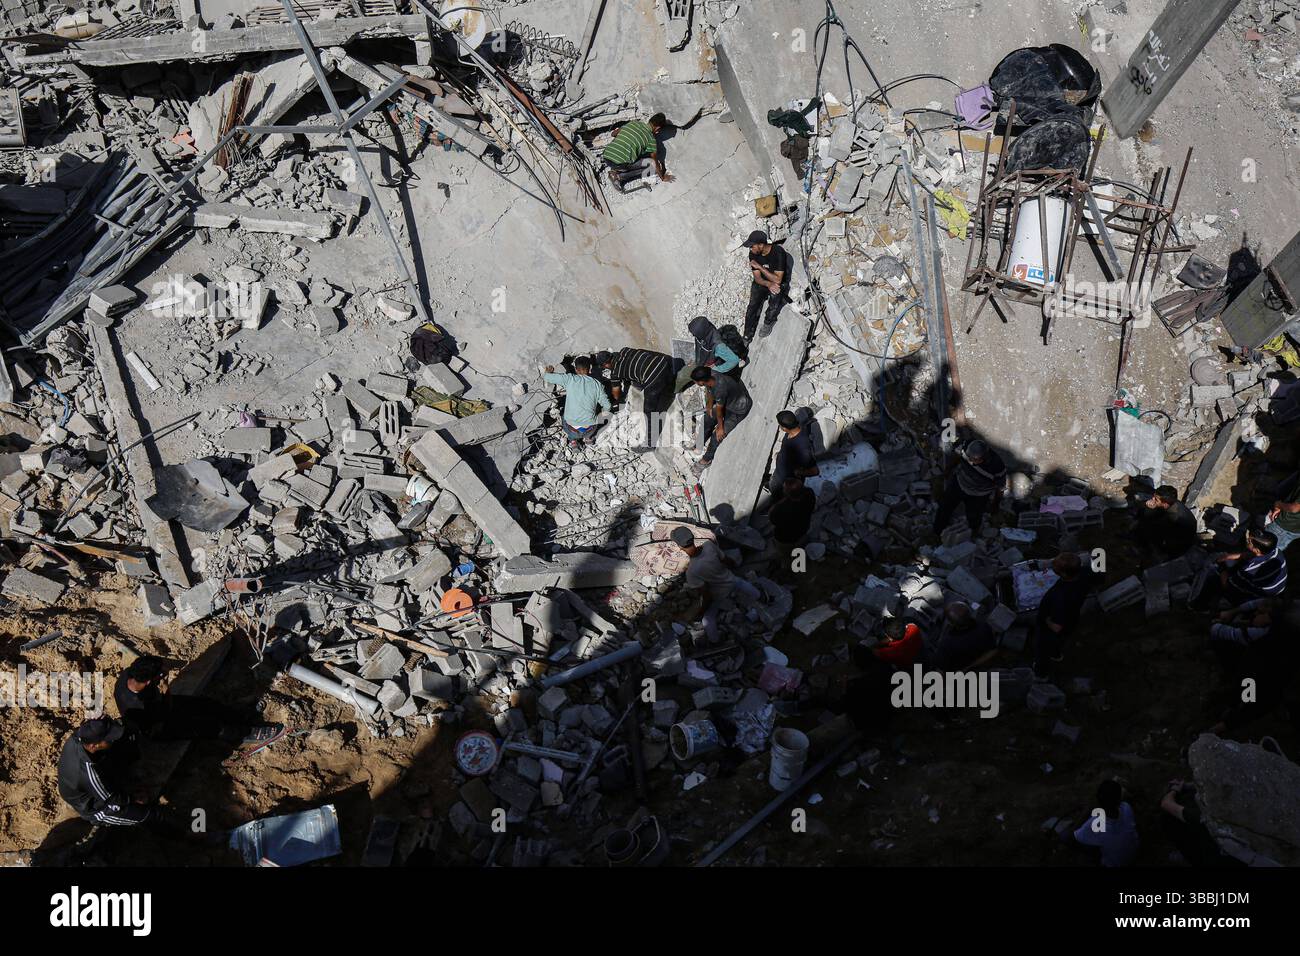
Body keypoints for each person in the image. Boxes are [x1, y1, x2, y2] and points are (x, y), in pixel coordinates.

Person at [114, 655, 283, 746]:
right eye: (162, 672)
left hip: (161, 707)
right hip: (158, 727)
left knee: (206, 705)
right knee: (207, 726)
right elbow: (166, 712)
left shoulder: (129, 675)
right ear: (151, 681)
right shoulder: (140, 706)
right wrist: (166, 689)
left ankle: (240, 715)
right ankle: (245, 734)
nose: (165, 671)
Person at [57, 717, 153, 828]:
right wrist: (134, 798)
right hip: (93, 806)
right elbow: (112, 798)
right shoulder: (89, 773)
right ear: (94, 746)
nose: (111, 740)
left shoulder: (79, 737)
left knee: (124, 740)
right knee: (145, 815)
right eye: (108, 739)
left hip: (92, 777)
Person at [671, 526, 760, 643]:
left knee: (707, 619)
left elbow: (706, 596)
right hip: (731, 580)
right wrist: (735, 566)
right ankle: (760, 597)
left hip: (719, 594)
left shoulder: (691, 572)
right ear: (693, 538)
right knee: (743, 584)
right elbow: (727, 560)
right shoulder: (709, 545)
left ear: (680, 547)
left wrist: (700, 612)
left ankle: (715, 640)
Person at [594, 347, 675, 450]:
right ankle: (668, 382)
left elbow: (616, 393)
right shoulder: (624, 350)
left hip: (654, 376)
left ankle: (649, 444)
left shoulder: (616, 372)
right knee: (645, 380)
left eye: (604, 367)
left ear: (606, 364)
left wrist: (617, 400)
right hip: (663, 362)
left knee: (648, 411)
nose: (606, 368)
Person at [1191, 528, 1288, 611]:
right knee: (1233, 564)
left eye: (1249, 541)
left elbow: (1227, 585)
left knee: (1213, 579)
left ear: (1257, 550)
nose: (1247, 540)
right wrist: (1230, 557)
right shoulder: (1275, 551)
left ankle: (1198, 607)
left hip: (1260, 598)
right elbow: (1249, 555)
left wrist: (1221, 567)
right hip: (1275, 587)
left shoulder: (1250, 571)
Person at [1033, 551, 1096, 678]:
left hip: (1053, 628)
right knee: (1061, 640)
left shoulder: (1061, 597)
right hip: (1072, 619)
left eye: (1055, 567)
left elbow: (1057, 627)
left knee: (1044, 648)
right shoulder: (1084, 574)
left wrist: (1046, 620)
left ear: (1063, 574)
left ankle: (1041, 674)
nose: (1052, 567)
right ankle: (1056, 655)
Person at [1159, 779, 1245, 868]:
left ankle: (1187, 854)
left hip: (1209, 859)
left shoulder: (1199, 816)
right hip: (1232, 857)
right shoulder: (1232, 814)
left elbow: (1166, 803)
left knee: (1168, 819)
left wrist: (1174, 790)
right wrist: (1186, 785)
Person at [932, 439, 1007, 537]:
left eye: (974, 460)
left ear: (984, 457)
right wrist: (948, 470)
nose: (970, 461)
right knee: (944, 507)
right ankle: (937, 532)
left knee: (974, 516)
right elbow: (958, 456)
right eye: (969, 457)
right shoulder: (966, 444)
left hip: (979, 494)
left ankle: (972, 534)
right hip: (960, 482)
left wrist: (995, 504)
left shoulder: (996, 466)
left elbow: (1000, 488)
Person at [689, 365, 752, 475]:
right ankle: (699, 443)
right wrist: (709, 404)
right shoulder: (711, 375)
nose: (696, 383)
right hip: (727, 402)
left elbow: (719, 411)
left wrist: (720, 427)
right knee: (707, 419)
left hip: (738, 409)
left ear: (701, 382)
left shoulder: (720, 388)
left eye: (696, 382)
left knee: (717, 437)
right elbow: (709, 390)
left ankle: (706, 460)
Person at [544, 355, 613, 447]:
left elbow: (547, 377)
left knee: (564, 415)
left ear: (576, 369)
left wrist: (548, 372)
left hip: (572, 430)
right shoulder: (597, 384)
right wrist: (600, 415)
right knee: (596, 409)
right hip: (590, 429)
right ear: (590, 369)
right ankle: (588, 438)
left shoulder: (570, 379)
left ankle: (573, 441)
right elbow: (607, 406)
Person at [1070, 779, 1139, 867]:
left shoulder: (1096, 824)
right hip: (1133, 854)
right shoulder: (1126, 808)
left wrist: (1087, 811)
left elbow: (1072, 838)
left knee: (1066, 838)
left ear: (1098, 800)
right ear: (1119, 798)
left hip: (1117, 864)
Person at [601, 113, 671, 191]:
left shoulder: (633, 123)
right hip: (618, 164)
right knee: (651, 165)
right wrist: (663, 177)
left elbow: (613, 134)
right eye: (659, 130)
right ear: (657, 128)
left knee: (636, 151)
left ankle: (616, 168)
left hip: (606, 155)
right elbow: (654, 161)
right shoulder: (651, 140)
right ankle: (618, 176)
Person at [743, 230, 790, 341]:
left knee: (775, 297)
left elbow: (778, 280)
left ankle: (768, 322)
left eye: (752, 246)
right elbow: (757, 278)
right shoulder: (753, 254)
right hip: (765, 282)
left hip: (778, 281)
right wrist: (768, 283)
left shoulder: (778, 252)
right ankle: (747, 335)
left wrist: (760, 267)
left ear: (761, 245)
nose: (750, 249)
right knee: (752, 306)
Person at [678, 316, 743, 391]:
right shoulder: (704, 333)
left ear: (701, 331)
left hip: (712, 365)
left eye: (694, 333)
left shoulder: (718, 346)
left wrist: (715, 369)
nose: (693, 335)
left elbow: (734, 360)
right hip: (704, 361)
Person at [1134, 485, 1199, 557]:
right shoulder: (1172, 502)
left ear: (1165, 504)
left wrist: (1148, 509)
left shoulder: (1174, 517)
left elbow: (1156, 525)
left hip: (1178, 545)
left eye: (1156, 499)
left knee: (1145, 526)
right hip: (1177, 532)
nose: (1152, 499)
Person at [930, 601, 996, 671]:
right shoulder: (985, 627)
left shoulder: (947, 645)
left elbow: (940, 668)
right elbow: (993, 649)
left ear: (951, 623)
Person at [769, 410, 820, 497]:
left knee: (778, 496)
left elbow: (815, 471)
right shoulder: (796, 427)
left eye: (780, 425)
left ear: (784, 428)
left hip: (787, 483)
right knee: (773, 485)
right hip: (780, 473)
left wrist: (799, 472)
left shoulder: (803, 449)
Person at [769, 475, 817, 548]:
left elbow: (772, 519)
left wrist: (780, 502)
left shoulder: (780, 509)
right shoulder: (809, 493)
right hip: (803, 530)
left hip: (785, 539)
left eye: (784, 489)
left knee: (785, 551)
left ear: (787, 494)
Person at [1265, 488, 1300, 553]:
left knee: (1261, 547)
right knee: (1276, 551)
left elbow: (1295, 508)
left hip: (1283, 524)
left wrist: (1279, 505)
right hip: (1296, 531)